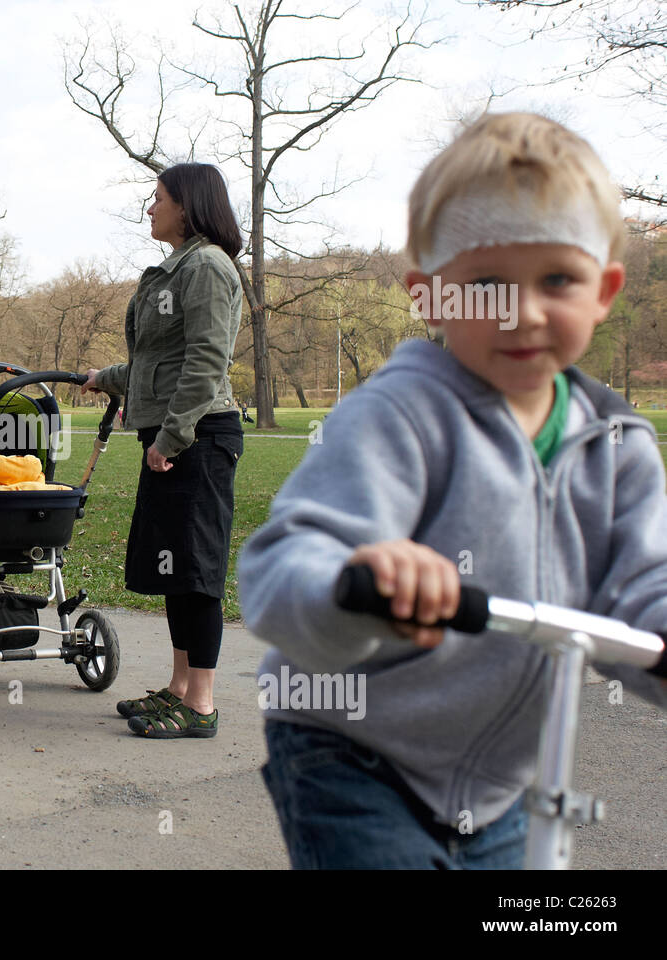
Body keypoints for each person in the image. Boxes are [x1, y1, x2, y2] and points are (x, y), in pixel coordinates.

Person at [237, 112, 667, 868]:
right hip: (351, 750)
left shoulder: (619, 446)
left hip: (497, 790)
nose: (524, 311)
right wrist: (358, 582)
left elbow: (640, 596)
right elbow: (282, 566)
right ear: (430, 297)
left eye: (558, 280)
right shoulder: (401, 414)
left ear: (603, 291)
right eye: (488, 284)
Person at [82, 162, 244, 739]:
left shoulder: (206, 267)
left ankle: (200, 703)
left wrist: (172, 438)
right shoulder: (178, 269)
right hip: (173, 437)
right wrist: (105, 376)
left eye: (158, 199)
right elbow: (158, 364)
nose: (150, 209)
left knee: (196, 571)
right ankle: (179, 688)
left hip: (198, 438)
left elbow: (206, 362)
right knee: (175, 570)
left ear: (187, 205)